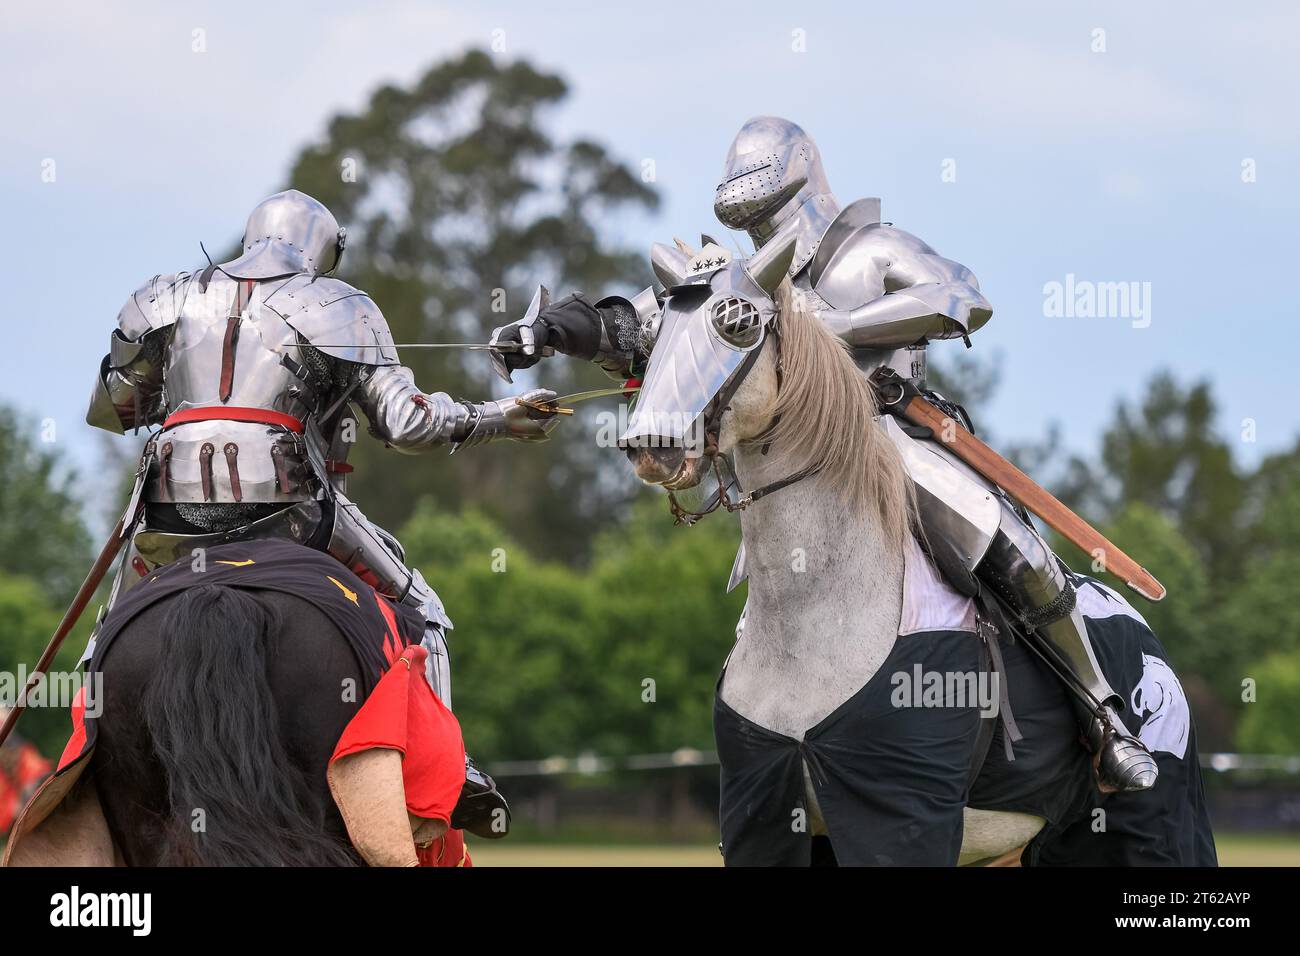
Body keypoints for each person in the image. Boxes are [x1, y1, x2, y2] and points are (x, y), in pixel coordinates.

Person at [489, 117, 1157, 793]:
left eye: (763, 198)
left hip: (886, 436)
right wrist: (544, 332)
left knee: (1005, 542)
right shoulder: (737, 281)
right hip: (787, 466)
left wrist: (825, 330)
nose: (757, 219)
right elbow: (634, 324)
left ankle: (1102, 713)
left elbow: (960, 297)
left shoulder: (872, 249)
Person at [86, 189, 563, 831]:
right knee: (423, 608)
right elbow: (407, 423)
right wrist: (496, 418)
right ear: (322, 250)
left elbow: (110, 412)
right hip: (288, 511)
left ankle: (84, 763)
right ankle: (449, 780)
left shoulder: (164, 296)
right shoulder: (338, 305)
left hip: (171, 515)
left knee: (107, 634)